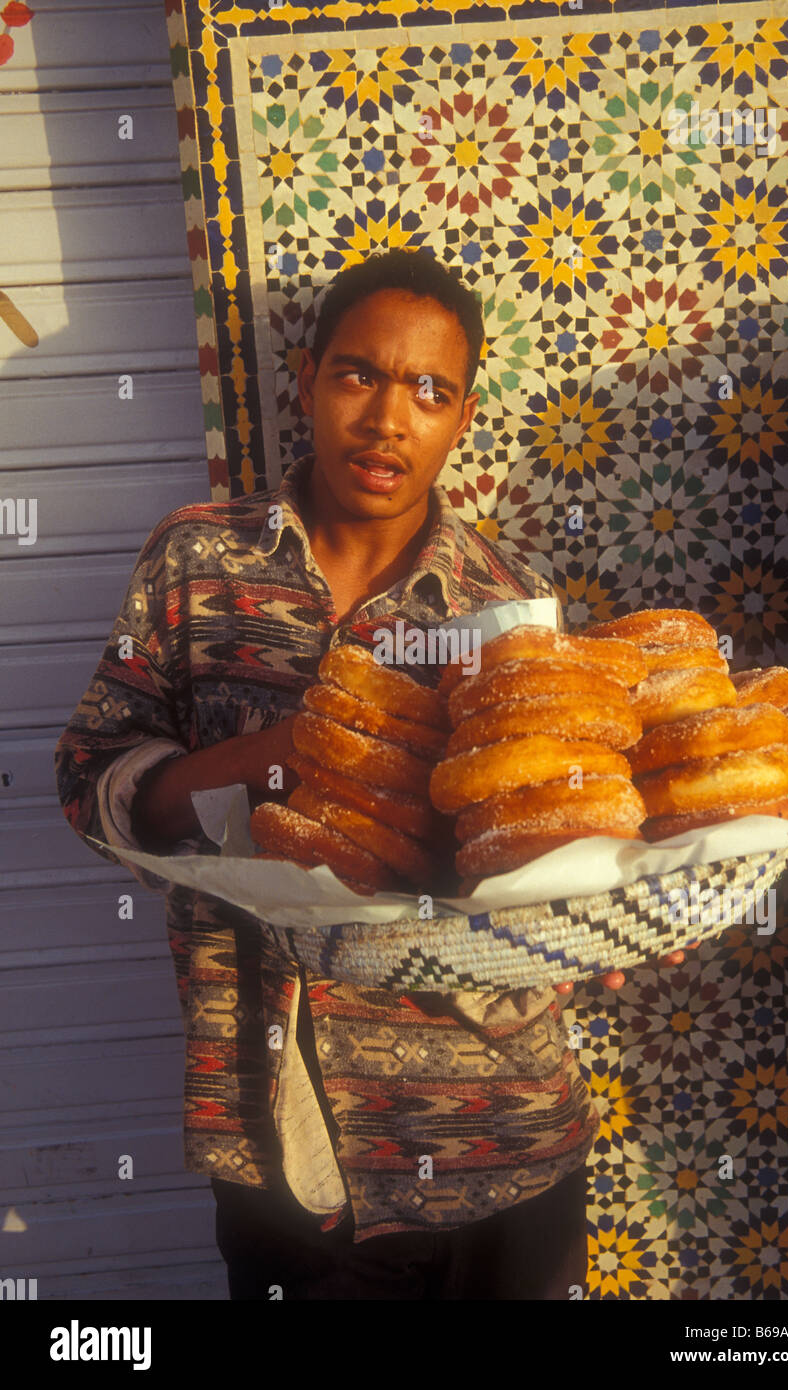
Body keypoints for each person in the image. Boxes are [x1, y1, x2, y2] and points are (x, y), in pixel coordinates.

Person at [55, 247, 602, 1301]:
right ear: (306, 379)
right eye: (360, 375)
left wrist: (595, 917)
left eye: (431, 391)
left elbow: (547, 826)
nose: (390, 419)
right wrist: (267, 758)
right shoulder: (197, 561)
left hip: (502, 1133)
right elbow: (90, 781)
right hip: (283, 1148)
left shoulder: (507, 604)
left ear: (464, 414)